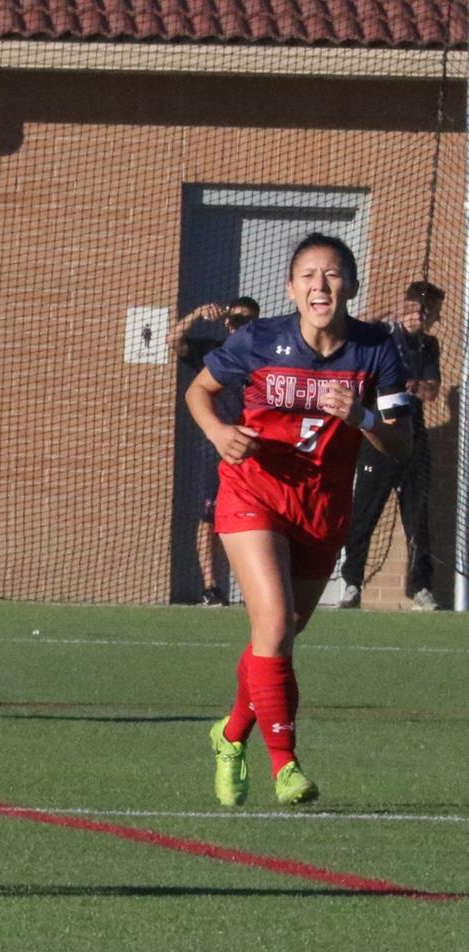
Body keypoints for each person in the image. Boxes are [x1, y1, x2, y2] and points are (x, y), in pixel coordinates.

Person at [189, 233, 410, 807]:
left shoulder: (378, 350)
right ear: (291, 288)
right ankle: (285, 767)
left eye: (333, 274)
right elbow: (199, 391)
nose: (321, 285)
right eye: (309, 275)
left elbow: (401, 443)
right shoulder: (260, 340)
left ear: (352, 286)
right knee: (277, 622)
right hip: (253, 491)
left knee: (279, 637)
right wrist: (218, 433)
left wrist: (361, 415)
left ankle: (230, 733)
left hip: (322, 506)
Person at [336, 281, 445, 610]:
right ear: (416, 310)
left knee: (417, 515)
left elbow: (430, 390)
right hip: (378, 435)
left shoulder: (428, 345)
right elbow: (356, 330)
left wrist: (410, 384)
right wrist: (391, 312)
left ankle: (422, 588)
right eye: (433, 314)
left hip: (413, 437)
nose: (435, 320)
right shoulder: (381, 335)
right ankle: (352, 584)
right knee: (365, 511)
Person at [169, 297, 260, 606]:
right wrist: (196, 313)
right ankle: (211, 586)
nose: (240, 327)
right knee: (208, 515)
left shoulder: (266, 355)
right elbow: (174, 341)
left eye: (248, 322)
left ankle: (254, 586)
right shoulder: (213, 353)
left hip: (255, 446)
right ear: (227, 323)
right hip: (216, 444)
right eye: (236, 321)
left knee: (253, 516)